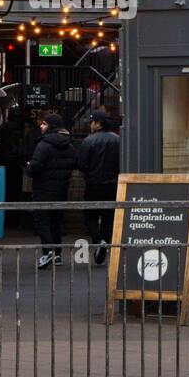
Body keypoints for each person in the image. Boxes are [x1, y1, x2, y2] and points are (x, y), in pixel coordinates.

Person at [27, 112, 78, 269]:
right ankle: (57, 254)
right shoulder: (69, 145)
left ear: (50, 126)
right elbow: (74, 163)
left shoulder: (43, 145)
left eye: (44, 124)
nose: (41, 126)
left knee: (42, 222)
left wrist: (29, 167)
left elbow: (34, 167)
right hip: (62, 189)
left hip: (43, 189)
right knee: (56, 222)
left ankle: (47, 252)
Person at [76, 109, 121, 264]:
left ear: (98, 123)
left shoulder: (88, 141)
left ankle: (98, 240)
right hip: (112, 183)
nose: (90, 124)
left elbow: (82, 164)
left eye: (92, 121)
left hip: (93, 183)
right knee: (109, 215)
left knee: (90, 215)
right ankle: (105, 242)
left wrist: (87, 175)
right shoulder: (117, 140)